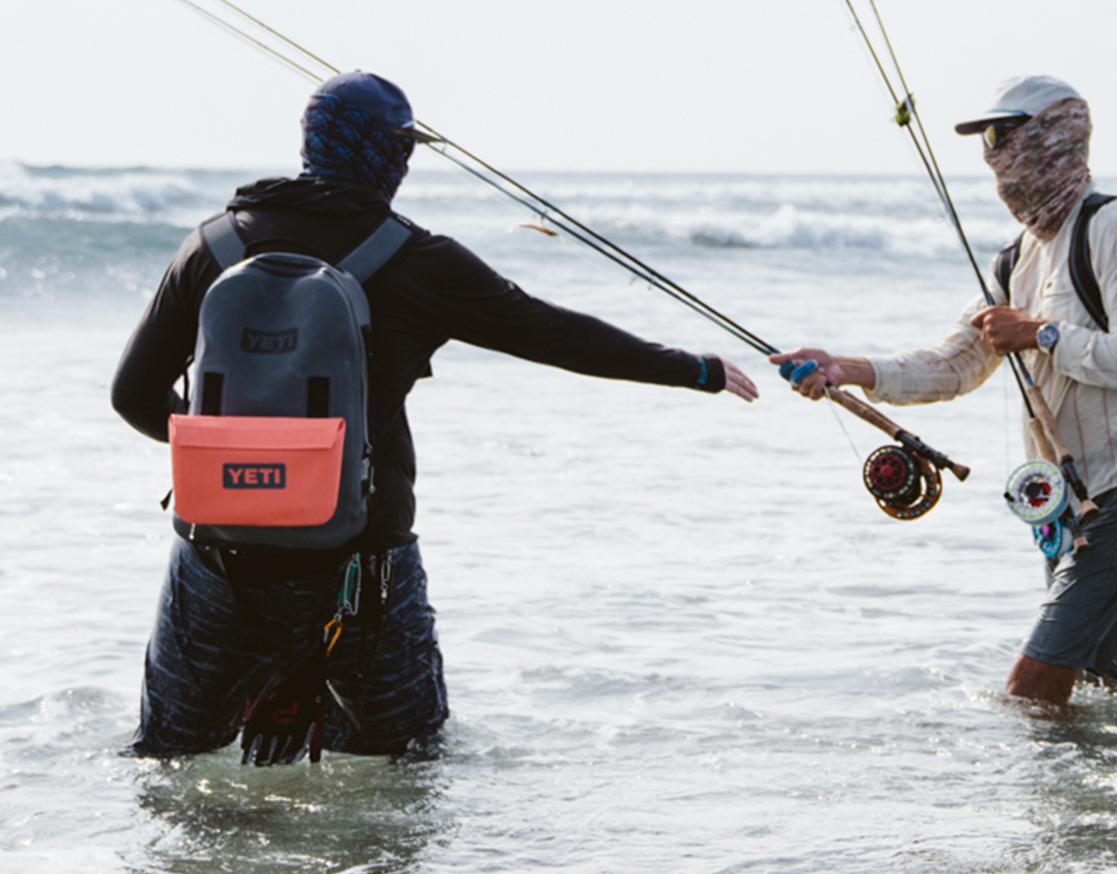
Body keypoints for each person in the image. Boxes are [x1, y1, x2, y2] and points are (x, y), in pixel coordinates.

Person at [111, 71, 758, 759]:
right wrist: (693, 369)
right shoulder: (418, 260)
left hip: (218, 562)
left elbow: (134, 397)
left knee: (172, 761)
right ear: (394, 156)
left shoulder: (212, 247)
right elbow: (553, 333)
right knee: (401, 763)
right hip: (365, 564)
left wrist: (239, 465)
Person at [771, 75, 1117, 706]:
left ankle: (1032, 802)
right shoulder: (1015, 259)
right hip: (1064, 507)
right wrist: (845, 368)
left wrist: (1039, 334)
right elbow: (952, 365)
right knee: (1106, 692)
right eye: (987, 141)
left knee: (1030, 688)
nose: (994, 156)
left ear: (1052, 135)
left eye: (1003, 135)